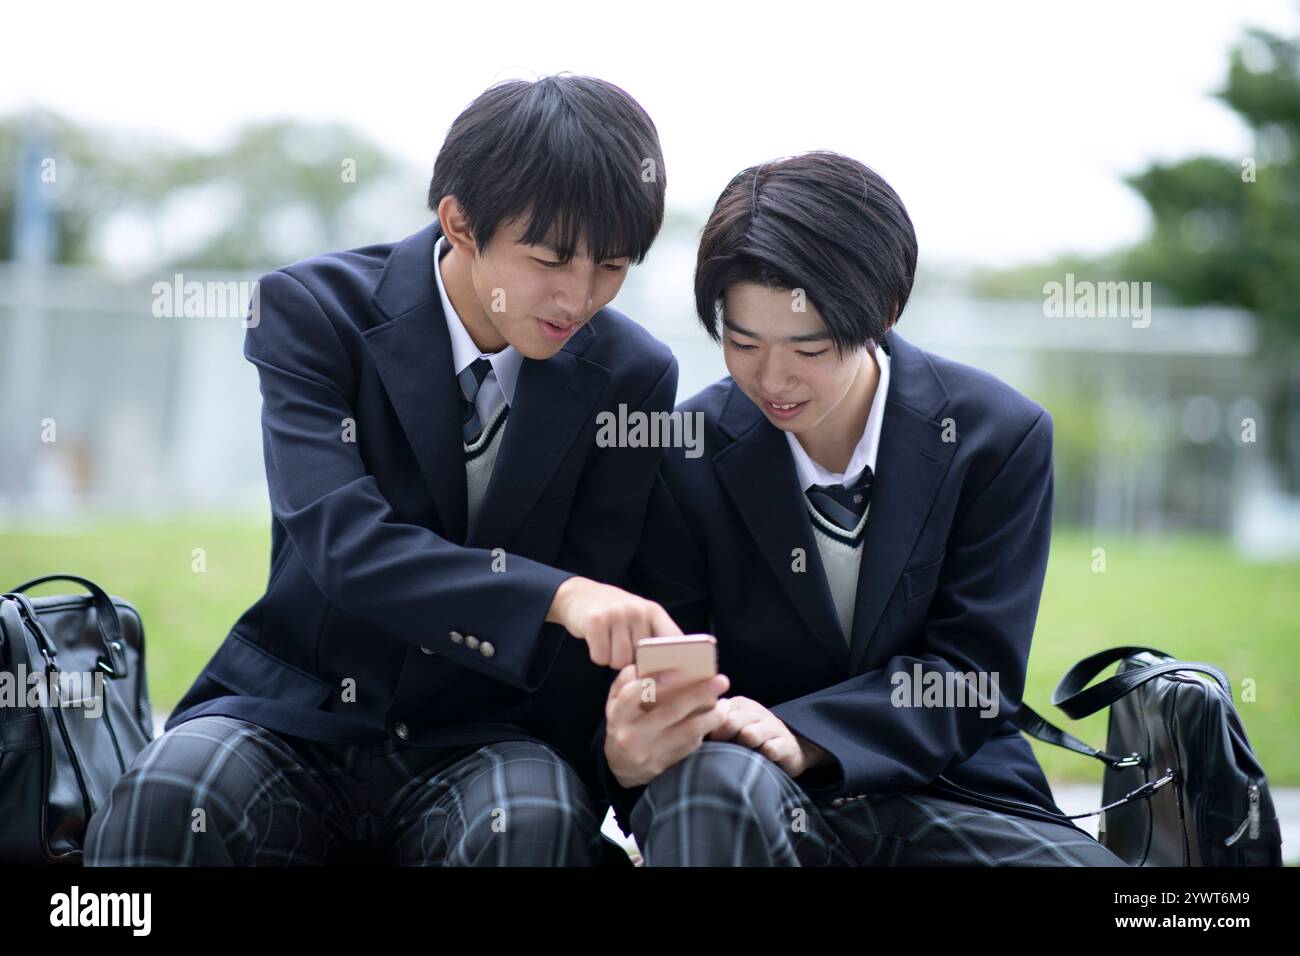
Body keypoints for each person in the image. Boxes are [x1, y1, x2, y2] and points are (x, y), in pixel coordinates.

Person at [86, 74, 682, 867]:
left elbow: (601, 591)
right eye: (549, 260)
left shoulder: (634, 375)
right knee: (173, 793)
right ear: (460, 223)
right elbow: (347, 546)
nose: (579, 298)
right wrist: (557, 595)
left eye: (612, 267)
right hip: (297, 713)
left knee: (535, 821)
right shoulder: (313, 311)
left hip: (487, 737)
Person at [594, 150, 1128, 866]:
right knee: (713, 794)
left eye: (807, 347)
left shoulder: (995, 436)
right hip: (747, 792)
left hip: (950, 788)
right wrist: (647, 741)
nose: (772, 377)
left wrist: (808, 735)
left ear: (883, 313)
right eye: (741, 342)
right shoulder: (680, 457)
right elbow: (677, 671)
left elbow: (973, 673)